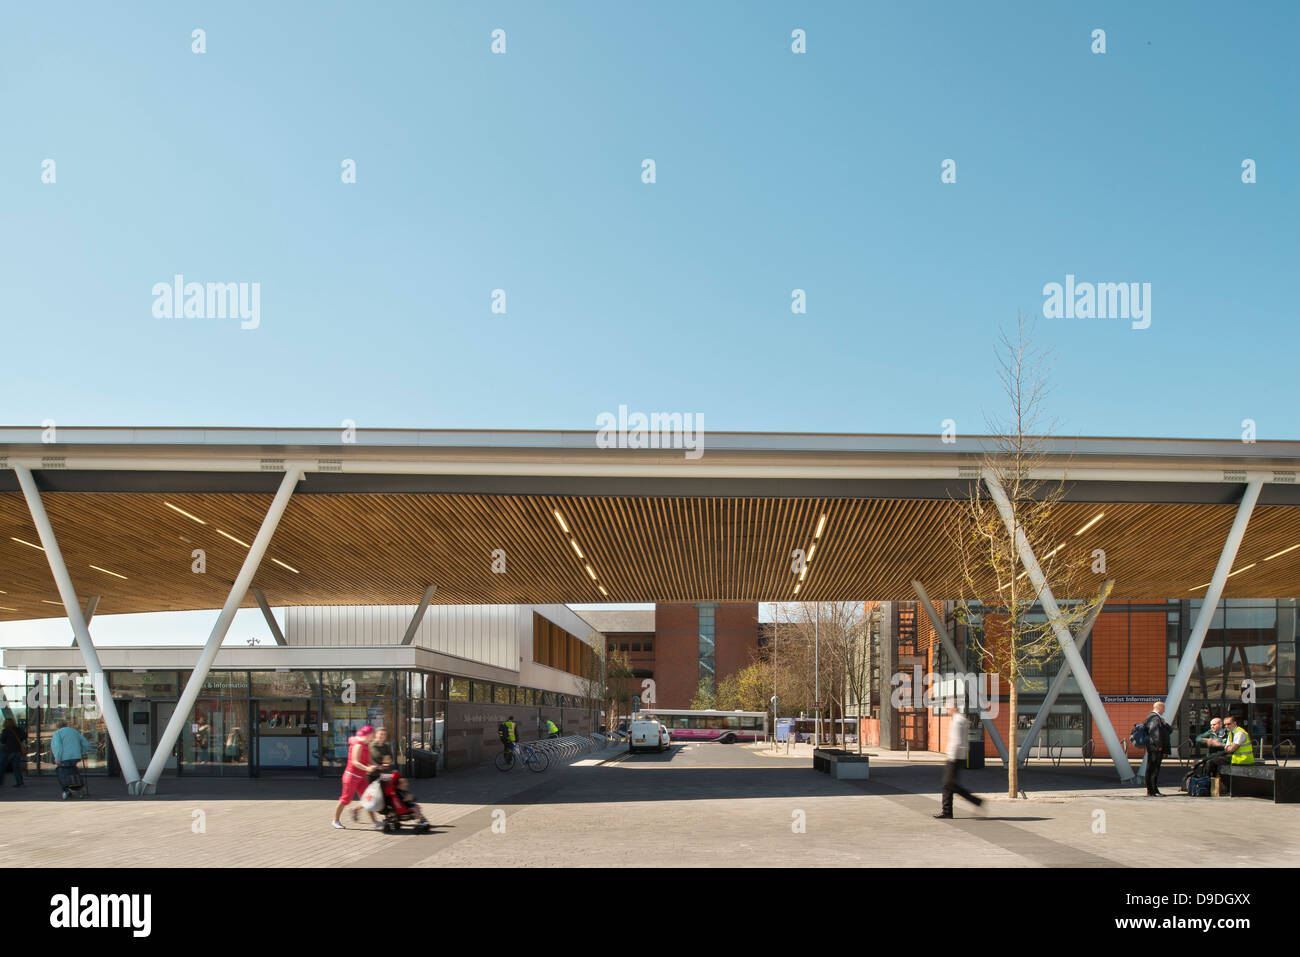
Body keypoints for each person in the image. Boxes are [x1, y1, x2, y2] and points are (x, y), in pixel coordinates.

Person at [934, 704, 984, 819]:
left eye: (948, 708)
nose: (947, 710)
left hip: (954, 756)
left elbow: (956, 741)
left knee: (948, 784)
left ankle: (975, 801)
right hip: (960, 755)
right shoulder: (963, 720)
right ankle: (947, 811)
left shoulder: (957, 721)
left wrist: (951, 756)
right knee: (948, 785)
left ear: (954, 708)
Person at [332, 725, 377, 829]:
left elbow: (369, 761)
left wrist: (377, 765)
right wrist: (367, 769)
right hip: (351, 777)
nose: (373, 737)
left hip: (362, 777)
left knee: (367, 799)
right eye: (372, 735)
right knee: (345, 800)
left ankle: (375, 822)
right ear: (368, 735)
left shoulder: (367, 745)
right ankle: (335, 820)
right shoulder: (358, 745)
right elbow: (355, 762)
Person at [50, 720, 92, 799]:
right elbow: (85, 743)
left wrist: (57, 758)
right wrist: (82, 751)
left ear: (57, 726)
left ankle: (67, 790)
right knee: (73, 771)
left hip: (64, 757)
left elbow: (57, 747)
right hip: (76, 756)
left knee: (63, 773)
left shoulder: (58, 733)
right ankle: (78, 787)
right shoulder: (74, 731)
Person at [1142, 702, 1171, 796]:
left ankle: (1154, 789)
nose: (1165, 710)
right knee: (1152, 768)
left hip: (1155, 747)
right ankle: (1151, 790)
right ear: (1160, 707)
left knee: (1155, 768)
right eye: (1164, 708)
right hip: (1155, 748)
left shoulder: (1158, 718)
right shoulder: (1154, 718)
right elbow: (1155, 733)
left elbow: (1170, 730)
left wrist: (1165, 723)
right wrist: (1159, 746)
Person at [0, 718, 26, 787]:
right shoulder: (18, 730)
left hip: (7, 751)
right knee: (16, 768)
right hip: (17, 751)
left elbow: (2, 741)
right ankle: (20, 783)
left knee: (2, 767)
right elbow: (24, 736)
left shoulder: (5, 731)